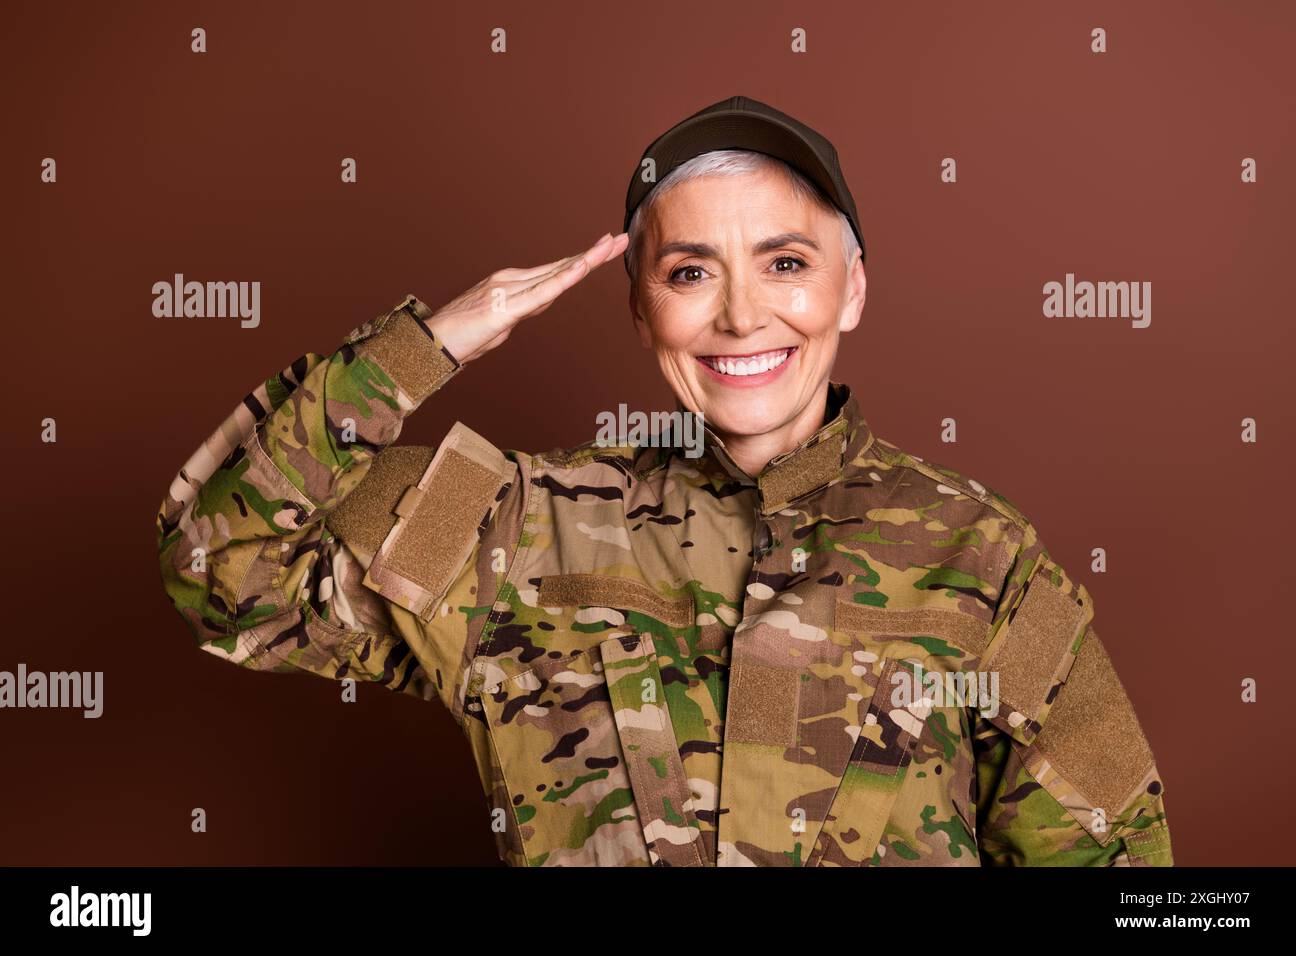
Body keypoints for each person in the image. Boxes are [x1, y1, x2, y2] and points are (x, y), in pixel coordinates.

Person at [155, 95, 1173, 867]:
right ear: (640, 310)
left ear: (851, 286)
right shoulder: (513, 525)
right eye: (690, 272)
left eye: (784, 263)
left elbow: (1117, 862)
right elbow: (220, 563)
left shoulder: (980, 554)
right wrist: (426, 347)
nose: (739, 317)